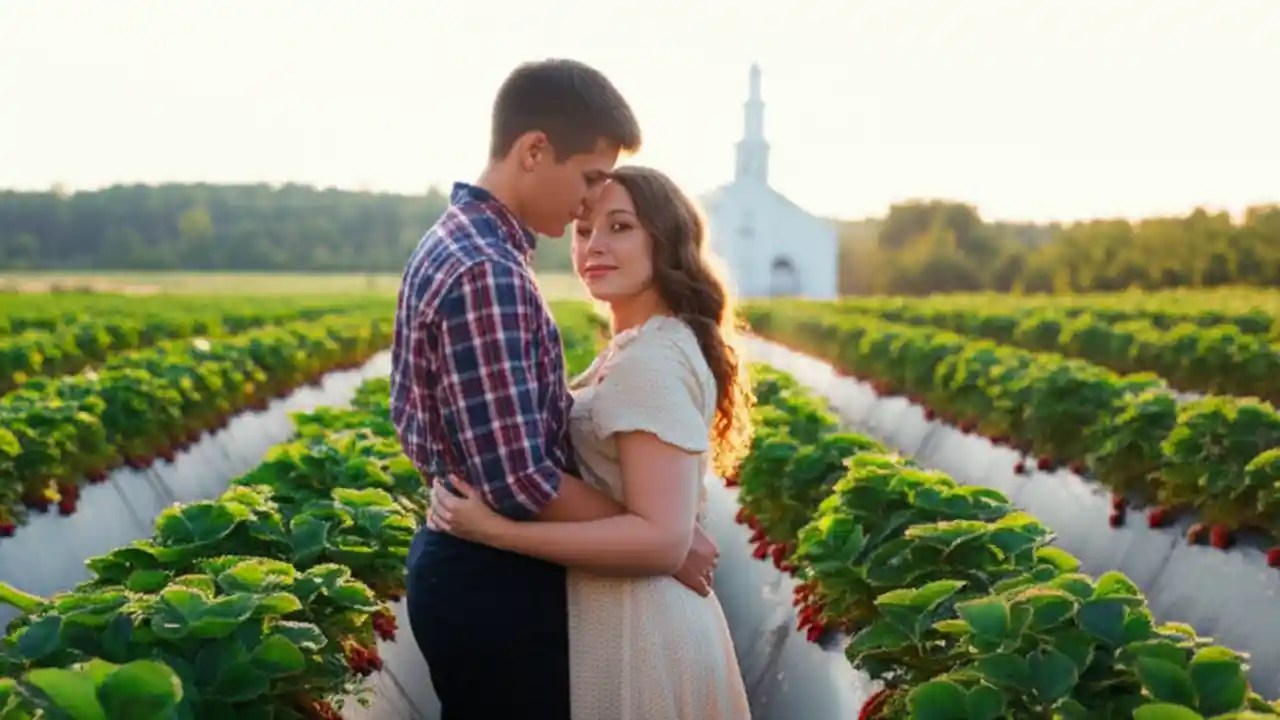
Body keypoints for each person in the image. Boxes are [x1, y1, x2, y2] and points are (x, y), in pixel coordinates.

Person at [390, 60, 722, 720]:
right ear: (535, 150)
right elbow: (520, 481)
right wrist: (667, 537)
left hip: (481, 564)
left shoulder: (461, 244)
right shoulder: (489, 271)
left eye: (617, 220)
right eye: (589, 180)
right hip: (491, 579)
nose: (587, 206)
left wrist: (659, 532)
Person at [427, 165, 754, 719]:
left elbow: (659, 543)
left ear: (666, 240)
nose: (594, 246)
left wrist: (499, 532)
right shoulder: (638, 347)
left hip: (643, 629)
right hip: (631, 615)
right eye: (583, 230)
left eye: (620, 227)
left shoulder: (647, 362)